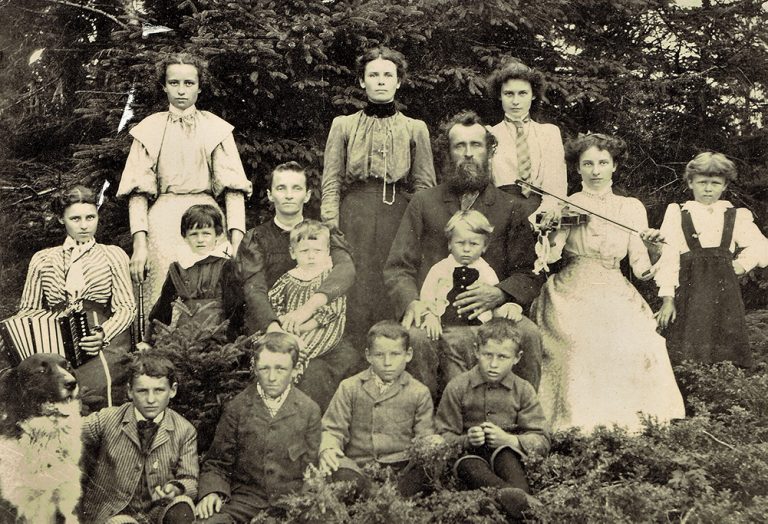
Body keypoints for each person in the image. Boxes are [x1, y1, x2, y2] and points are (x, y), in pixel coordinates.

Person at [531, 133, 685, 433]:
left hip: (615, 287)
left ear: (614, 166)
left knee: (640, 340)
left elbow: (641, 269)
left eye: (603, 163)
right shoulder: (569, 205)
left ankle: (632, 425)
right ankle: (580, 426)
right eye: (588, 164)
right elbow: (551, 257)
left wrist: (653, 248)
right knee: (581, 341)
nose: (596, 171)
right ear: (577, 168)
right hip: (572, 288)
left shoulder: (630, 207)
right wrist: (550, 229)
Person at [383, 110, 544, 397]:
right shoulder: (424, 202)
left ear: (489, 151)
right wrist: (412, 303)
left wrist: (500, 294)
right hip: (436, 314)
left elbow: (527, 272)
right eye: (460, 146)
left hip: (492, 316)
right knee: (416, 337)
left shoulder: (511, 206)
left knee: (528, 333)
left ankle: (522, 415)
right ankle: (427, 419)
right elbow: (399, 267)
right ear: (449, 153)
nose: (468, 153)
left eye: (476, 145)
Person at [117, 52, 253, 310]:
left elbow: (234, 190)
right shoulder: (150, 128)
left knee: (211, 295)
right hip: (163, 222)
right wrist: (140, 245)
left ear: (199, 87)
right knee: (163, 294)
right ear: (164, 86)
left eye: (189, 83)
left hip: (208, 220)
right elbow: (138, 193)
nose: (181, 90)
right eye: (174, 83)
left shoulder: (216, 128)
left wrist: (237, 243)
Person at [321, 46, 436, 344]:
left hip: (398, 214)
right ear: (362, 81)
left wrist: (420, 226)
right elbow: (331, 180)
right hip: (355, 212)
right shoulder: (343, 125)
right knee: (356, 281)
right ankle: (354, 351)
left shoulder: (415, 128)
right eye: (373, 75)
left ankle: (392, 352)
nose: (381, 81)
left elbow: (424, 184)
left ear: (399, 81)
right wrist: (331, 224)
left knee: (392, 278)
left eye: (388, 75)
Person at [235, 162, 359, 404]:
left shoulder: (322, 233)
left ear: (308, 195)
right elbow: (254, 288)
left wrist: (308, 309)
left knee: (331, 369)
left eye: (296, 188)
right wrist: (275, 329)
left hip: (320, 325)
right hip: (272, 323)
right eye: (281, 188)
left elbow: (345, 270)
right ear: (270, 194)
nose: (289, 195)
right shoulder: (257, 238)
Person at [16, 185, 135, 411]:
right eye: (75, 218)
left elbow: (126, 307)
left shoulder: (113, 254)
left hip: (101, 338)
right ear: (62, 219)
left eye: (90, 217)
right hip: (55, 341)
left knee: (101, 388)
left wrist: (103, 334)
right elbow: (28, 310)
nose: (84, 225)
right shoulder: (43, 259)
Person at [655, 152, 768, 368]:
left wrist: (742, 264)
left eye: (715, 183)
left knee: (726, 345)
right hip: (690, 292)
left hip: (725, 294)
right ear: (690, 182)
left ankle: (723, 383)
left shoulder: (734, 215)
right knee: (688, 348)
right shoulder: (679, 214)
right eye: (702, 182)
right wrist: (667, 300)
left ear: (724, 185)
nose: (708, 189)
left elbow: (762, 245)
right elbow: (668, 259)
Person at [195, 332, 321, 523]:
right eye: (264, 368)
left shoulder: (309, 410)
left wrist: (303, 502)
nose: (272, 377)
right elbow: (217, 463)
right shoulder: (237, 407)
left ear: (295, 370)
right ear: (255, 368)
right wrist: (211, 492)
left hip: (291, 503)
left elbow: (312, 468)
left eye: (281, 369)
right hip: (245, 502)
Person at [435, 319, 549, 520]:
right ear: (476, 351)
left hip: (508, 456)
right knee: (470, 467)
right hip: (470, 457)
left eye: (503, 357)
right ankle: (526, 505)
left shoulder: (523, 390)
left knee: (506, 457)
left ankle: (513, 501)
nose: (494, 364)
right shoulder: (457, 387)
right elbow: (443, 435)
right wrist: (467, 440)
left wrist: (510, 440)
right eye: (488, 355)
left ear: (517, 358)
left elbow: (541, 439)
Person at [319, 320, 437, 499]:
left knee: (427, 466)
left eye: (395, 354)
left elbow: (424, 435)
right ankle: (372, 493)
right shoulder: (350, 387)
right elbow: (332, 429)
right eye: (379, 355)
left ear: (408, 355)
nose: (387, 362)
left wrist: (431, 443)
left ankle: (394, 496)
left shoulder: (418, 392)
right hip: (359, 466)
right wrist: (328, 447)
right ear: (368, 355)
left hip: (401, 467)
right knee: (339, 469)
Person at [80, 353, 198, 524]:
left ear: (172, 390)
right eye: (142, 391)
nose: (151, 400)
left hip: (156, 511)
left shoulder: (185, 430)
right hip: (113, 512)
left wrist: (175, 488)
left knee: (182, 507)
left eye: (159, 390)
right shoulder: (108, 419)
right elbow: (69, 431)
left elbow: (190, 479)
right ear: (130, 391)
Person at [268, 219, 346, 410]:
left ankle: (294, 370)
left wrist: (301, 328)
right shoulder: (288, 278)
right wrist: (282, 321)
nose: (311, 256)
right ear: (293, 253)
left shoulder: (329, 276)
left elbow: (331, 311)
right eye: (304, 251)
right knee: (275, 346)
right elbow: (274, 301)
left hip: (319, 328)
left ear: (327, 252)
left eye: (317, 251)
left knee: (300, 351)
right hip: (291, 329)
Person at [420, 209, 523, 342]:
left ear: (484, 246)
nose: (466, 249)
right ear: (450, 244)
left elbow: (494, 302)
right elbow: (427, 296)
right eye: (460, 243)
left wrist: (510, 308)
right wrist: (430, 316)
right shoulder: (440, 269)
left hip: (478, 328)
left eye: (474, 244)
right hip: (444, 327)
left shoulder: (486, 271)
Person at [147, 204, 242, 341]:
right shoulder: (178, 267)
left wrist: (234, 341)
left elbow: (235, 307)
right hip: (186, 338)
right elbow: (163, 305)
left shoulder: (226, 265)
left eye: (206, 233)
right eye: (194, 234)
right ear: (185, 236)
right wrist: (149, 340)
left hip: (219, 335)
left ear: (218, 234)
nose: (200, 239)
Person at [486, 61, 567, 221]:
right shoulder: (489, 133)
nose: (515, 101)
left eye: (522, 93)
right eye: (509, 94)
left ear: (533, 95)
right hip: (500, 214)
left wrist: (538, 219)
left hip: (540, 213)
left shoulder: (549, 133)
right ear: (499, 96)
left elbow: (555, 186)